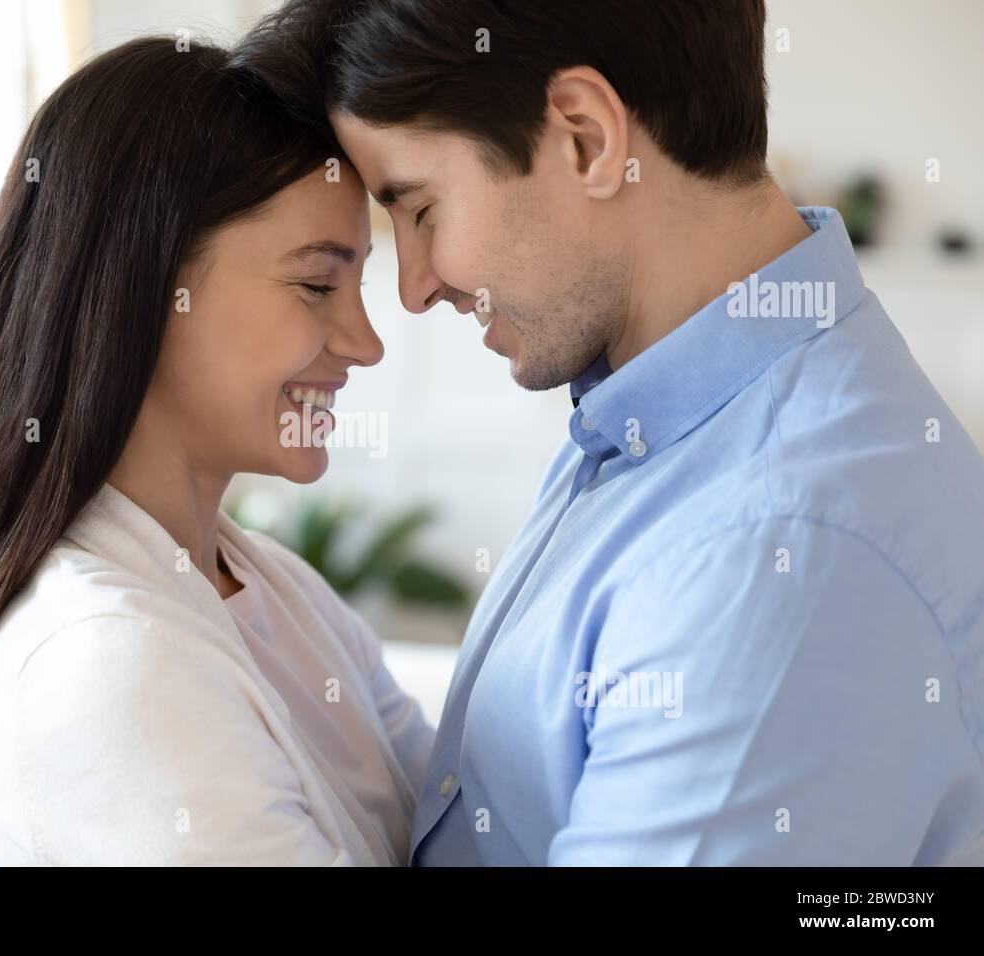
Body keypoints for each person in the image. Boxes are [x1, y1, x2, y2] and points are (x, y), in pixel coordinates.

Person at [232, 0, 984, 864]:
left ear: (586, 138)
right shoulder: (658, 417)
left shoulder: (775, 554)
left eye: (420, 209)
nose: (413, 288)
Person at [0, 36, 435, 866]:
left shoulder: (280, 591)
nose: (365, 345)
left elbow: (460, 813)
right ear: (145, 289)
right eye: (318, 285)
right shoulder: (105, 655)